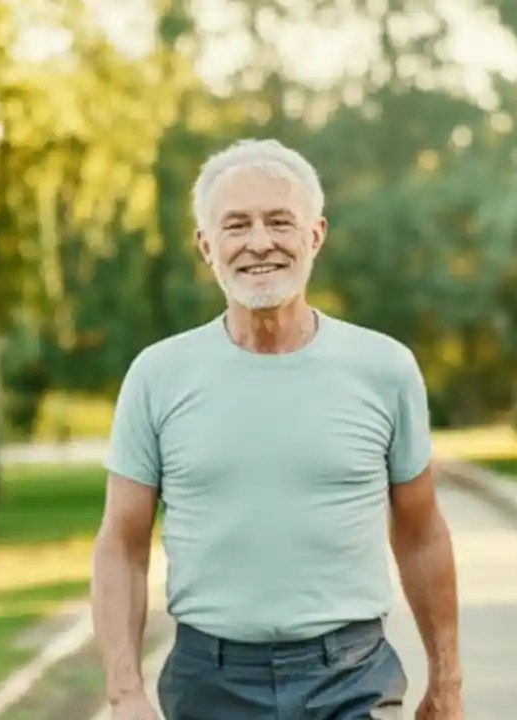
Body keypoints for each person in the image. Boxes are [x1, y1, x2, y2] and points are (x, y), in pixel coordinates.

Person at [89, 138, 463, 720]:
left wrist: (448, 682)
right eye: (236, 225)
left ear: (314, 235)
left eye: (279, 222)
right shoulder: (157, 375)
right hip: (209, 684)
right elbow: (121, 544)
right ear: (206, 245)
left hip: (352, 676)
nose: (259, 243)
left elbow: (422, 535)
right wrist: (123, 692)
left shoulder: (385, 368)